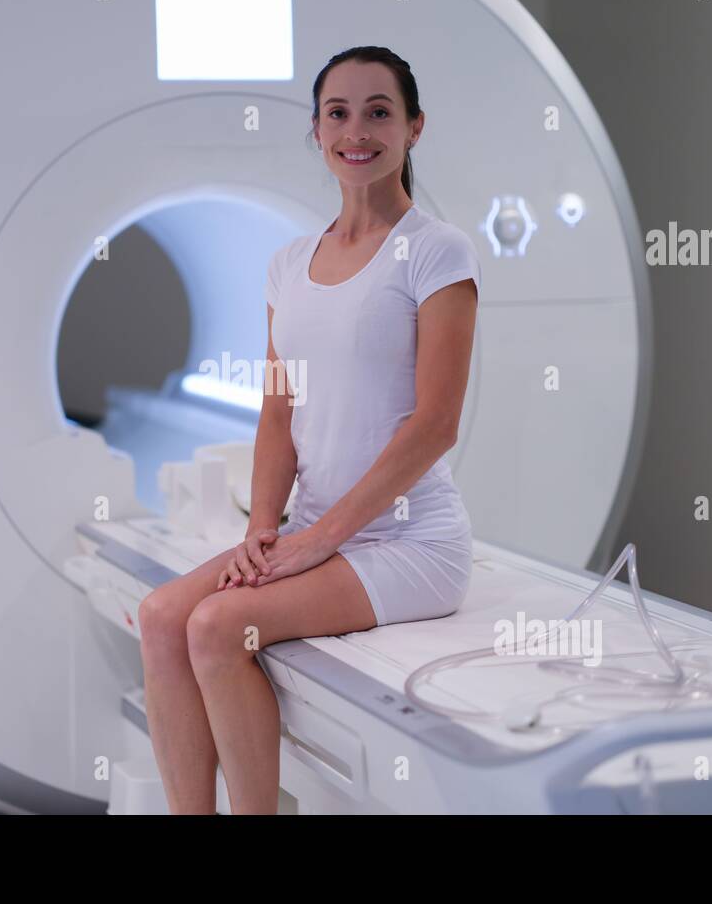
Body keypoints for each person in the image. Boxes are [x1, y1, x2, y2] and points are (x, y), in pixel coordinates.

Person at [137, 45, 481, 814]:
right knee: (162, 618)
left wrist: (316, 542)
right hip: (312, 528)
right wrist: (264, 528)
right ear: (318, 130)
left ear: (414, 129)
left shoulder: (435, 252)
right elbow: (277, 409)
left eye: (379, 112)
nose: (357, 130)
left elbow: (435, 425)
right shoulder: (289, 264)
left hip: (407, 542)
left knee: (218, 626)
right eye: (338, 113)